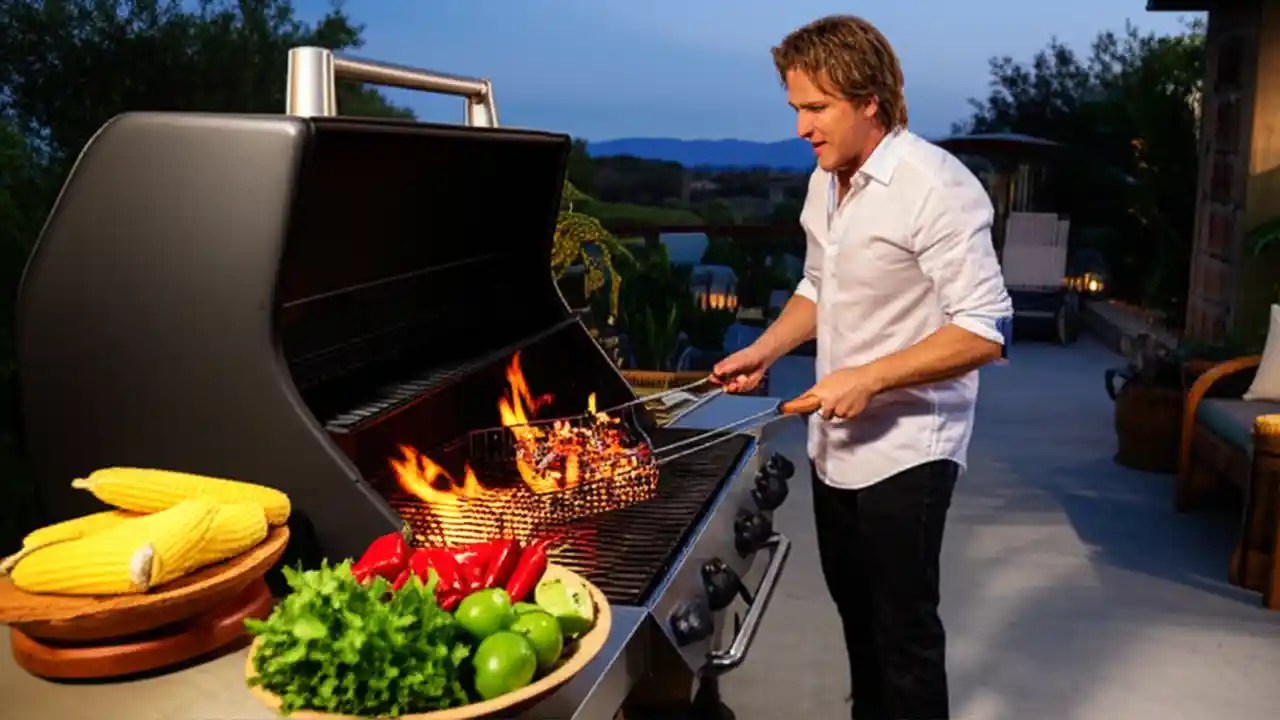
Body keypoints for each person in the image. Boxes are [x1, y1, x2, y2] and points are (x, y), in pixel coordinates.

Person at [712, 14, 1013, 720]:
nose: (802, 128)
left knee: (903, 633)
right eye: (795, 109)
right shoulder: (827, 181)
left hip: (909, 448)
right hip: (833, 442)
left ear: (869, 99)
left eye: (816, 108)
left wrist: (869, 376)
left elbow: (985, 328)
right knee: (856, 618)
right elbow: (821, 286)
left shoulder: (935, 186)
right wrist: (767, 348)